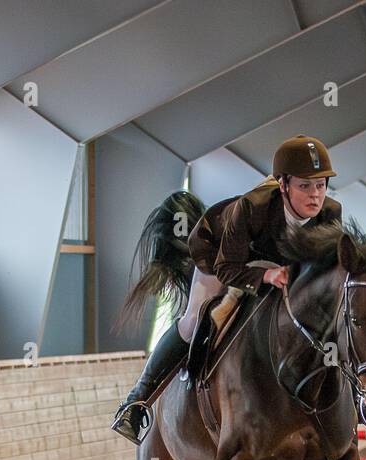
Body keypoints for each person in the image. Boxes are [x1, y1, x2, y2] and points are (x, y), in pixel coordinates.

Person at [110, 135, 344, 443]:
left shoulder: (330, 213)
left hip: (277, 263)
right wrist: (265, 277)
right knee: (194, 321)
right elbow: (225, 267)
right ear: (284, 184)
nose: (315, 196)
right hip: (220, 253)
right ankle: (136, 402)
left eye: (321, 185)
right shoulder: (251, 208)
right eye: (305, 186)